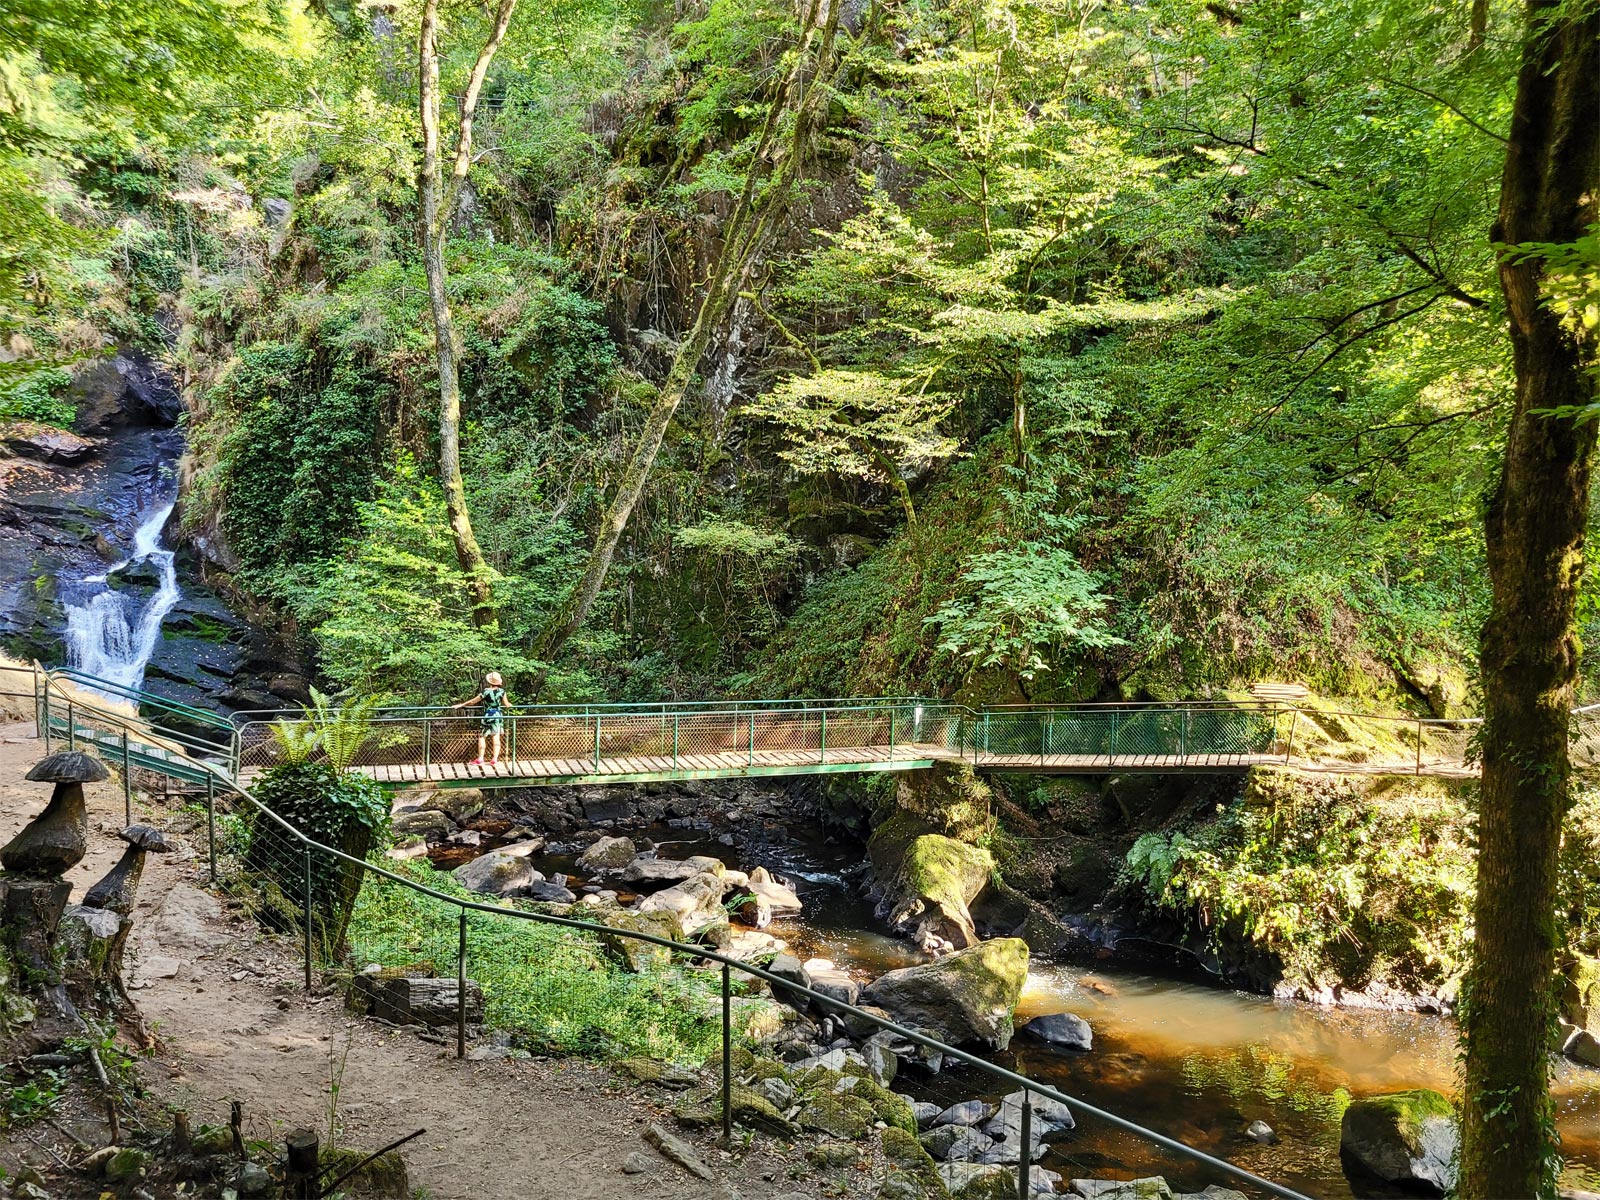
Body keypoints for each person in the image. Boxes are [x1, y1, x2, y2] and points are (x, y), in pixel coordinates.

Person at [452, 671, 507, 765]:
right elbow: (506, 704)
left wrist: (462, 704)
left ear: (489, 682)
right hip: (497, 715)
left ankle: (481, 759)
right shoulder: (502, 692)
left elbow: (473, 701)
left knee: (482, 736)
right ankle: (494, 759)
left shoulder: (486, 691)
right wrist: (510, 705)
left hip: (488, 716)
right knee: (496, 737)